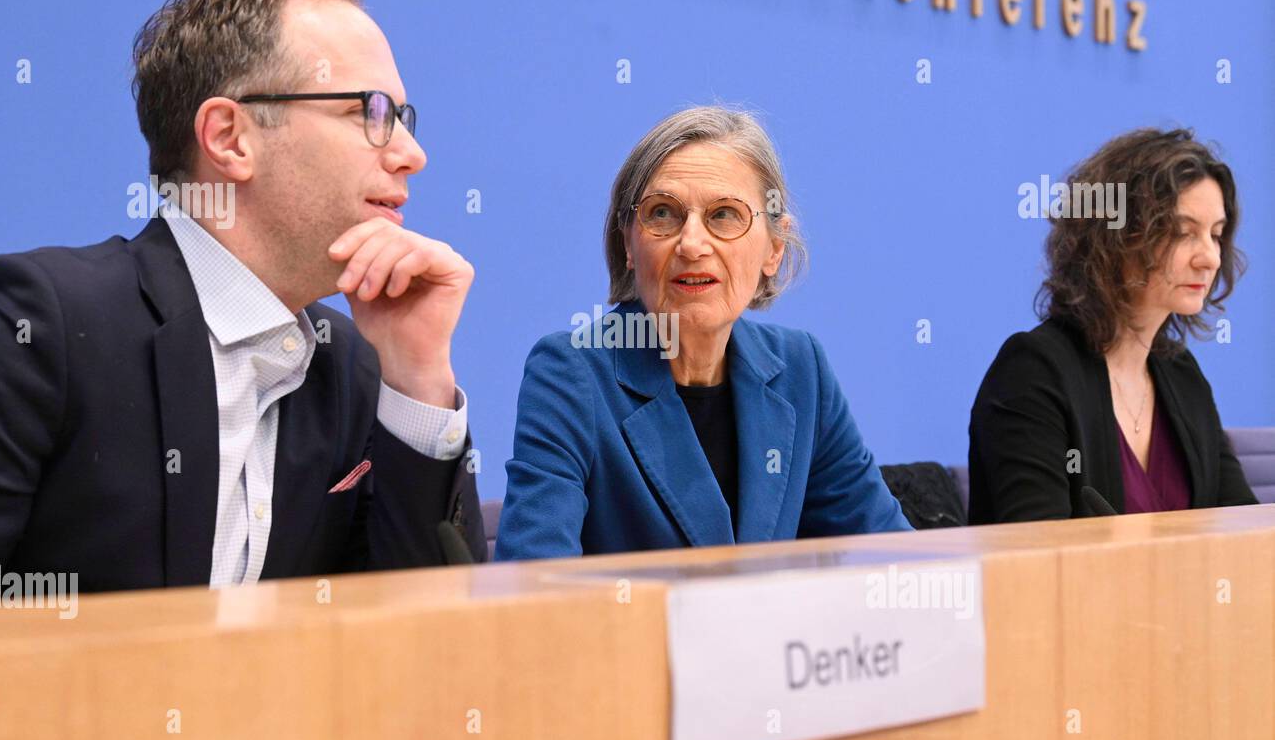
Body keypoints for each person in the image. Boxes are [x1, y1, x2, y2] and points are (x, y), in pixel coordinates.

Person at [0, 0, 486, 591]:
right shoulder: (39, 330)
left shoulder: (349, 367)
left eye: (402, 116)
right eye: (368, 111)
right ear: (229, 138)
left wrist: (417, 378)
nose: (411, 153)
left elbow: (421, 641)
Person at [496, 106, 910, 558]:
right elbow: (534, 583)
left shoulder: (800, 369)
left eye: (725, 215)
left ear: (773, 248)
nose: (692, 244)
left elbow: (889, 553)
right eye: (663, 214)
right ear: (628, 244)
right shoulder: (570, 374)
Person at [969, 128, 1256, 522]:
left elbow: (1245, 530)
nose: (1210, 258)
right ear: (1116, 236)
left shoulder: (1182, 376)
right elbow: (1035, 556)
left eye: (1216, 235)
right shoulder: (1034, 371)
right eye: (1182, 232)